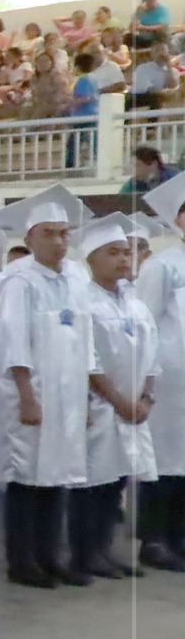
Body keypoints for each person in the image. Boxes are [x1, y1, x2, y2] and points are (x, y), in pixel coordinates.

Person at [0, 186, 95, 588]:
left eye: (64, 233)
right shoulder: (20, 280)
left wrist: (85, 395)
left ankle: (51, 556)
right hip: (32, 392)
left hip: (68, 395)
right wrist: (27, 396)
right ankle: (22, 561)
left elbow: (86, 339)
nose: (58, 241)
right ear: (30, 238)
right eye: (48, 233)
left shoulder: (76, 277)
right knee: (27, 478)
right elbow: (15, 339)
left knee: (58, 477)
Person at [74, 215, 157, 580]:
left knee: (117, 483)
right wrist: (119, 401)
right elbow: (87, 360)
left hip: (133, 408)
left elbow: (153, 356)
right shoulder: (84, 301)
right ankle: (85, 553)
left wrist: (146, 398)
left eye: (127, 252)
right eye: (113, 252)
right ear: (92, 259)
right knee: (93, 484)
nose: (124, 259)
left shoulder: (135, 303)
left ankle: (105, 551)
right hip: (102, 406)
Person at [135, 172, 185, 572]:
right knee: (165, 461)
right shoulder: (163, 267)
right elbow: (144, 324)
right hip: (170, 383)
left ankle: (180, 538)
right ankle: (154, 540)